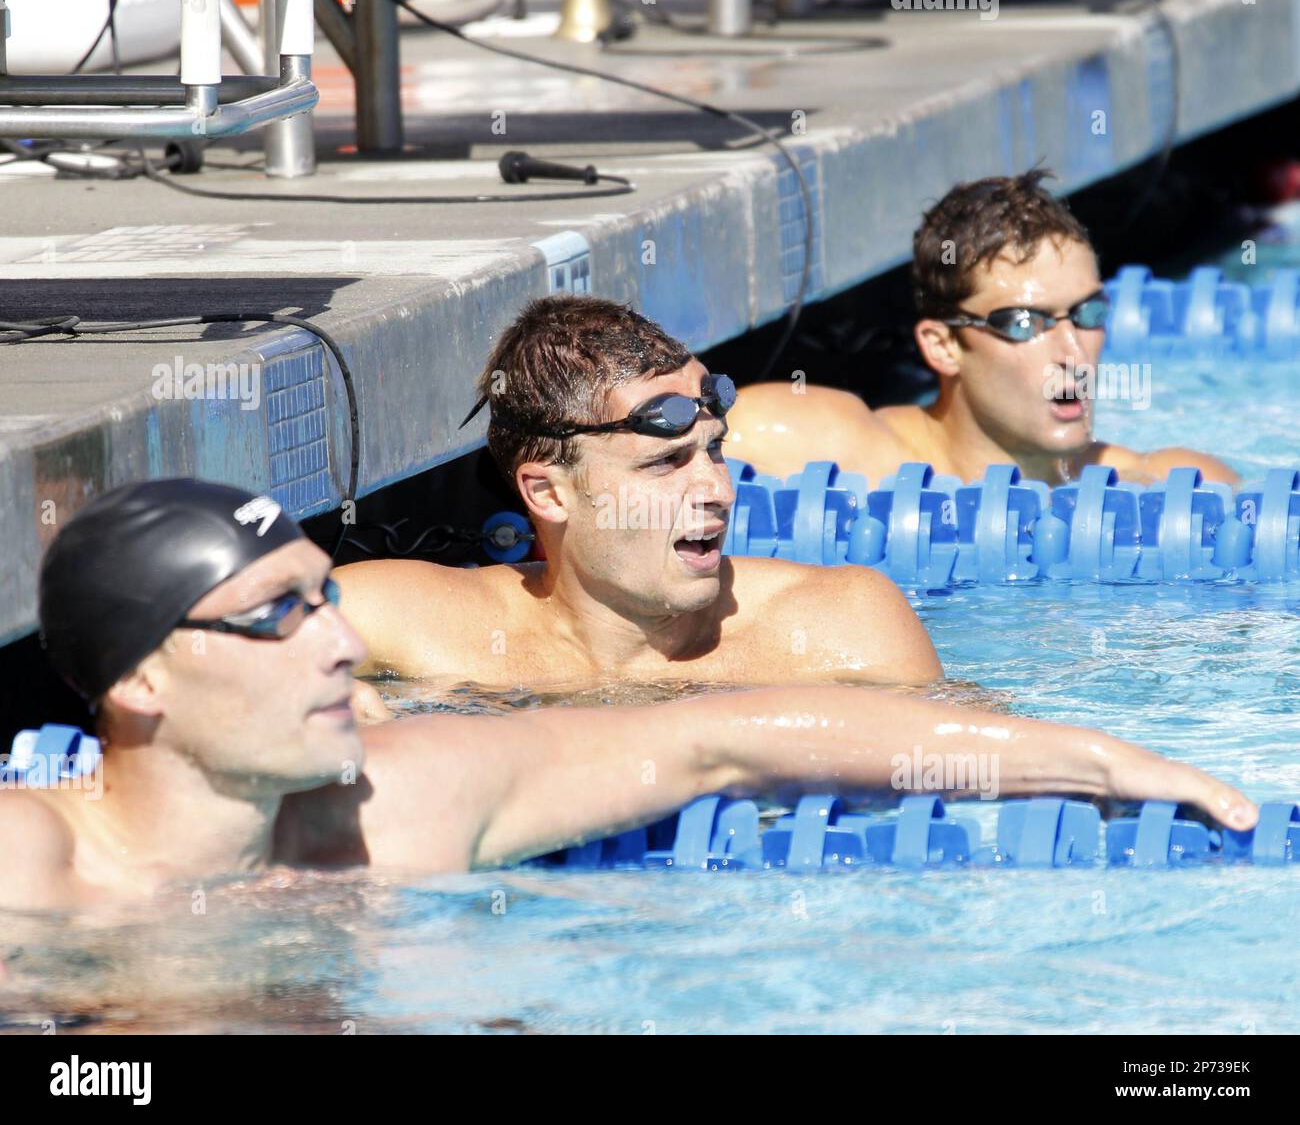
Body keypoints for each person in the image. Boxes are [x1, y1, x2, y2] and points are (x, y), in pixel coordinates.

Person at [0, 478, 1257, 911]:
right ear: (141, 677)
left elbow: (719, 740)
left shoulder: (405, 804)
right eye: (276, 615)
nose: (334, 644)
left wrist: (1092, 763)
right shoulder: (31, 868)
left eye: (327, 597)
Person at [334, 296, 942, 691]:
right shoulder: (416, 624)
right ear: (547, 493)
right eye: (665, 463)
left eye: (715, 450)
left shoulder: (841, 628)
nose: (718, 489)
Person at [725, 169, 1240, 488]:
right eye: (1023, 322)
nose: (1072, 353)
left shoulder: (1171, 487)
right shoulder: (830, 447)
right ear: (943, 345)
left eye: (1088, 315)